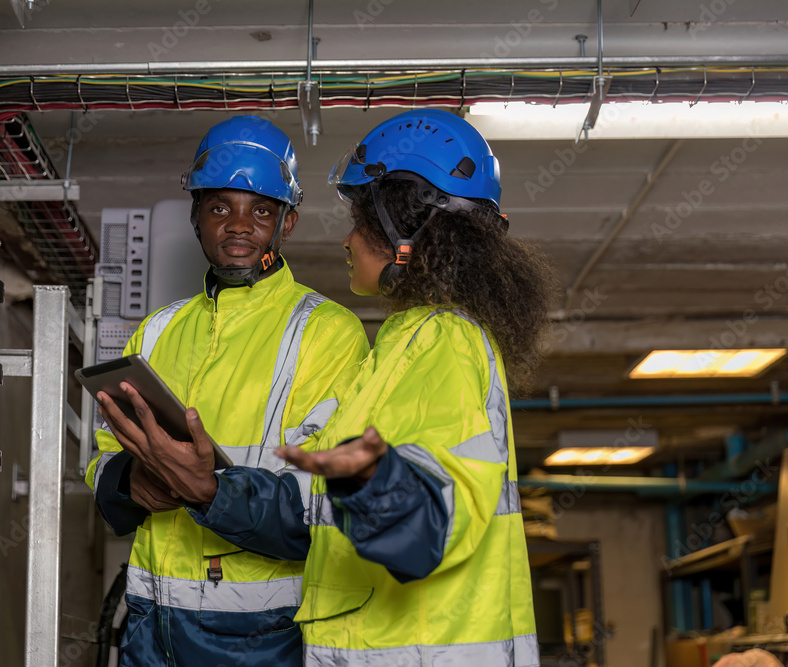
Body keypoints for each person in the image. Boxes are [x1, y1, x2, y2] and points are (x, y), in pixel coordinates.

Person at [110, 108, 559, 665]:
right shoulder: (407, 345)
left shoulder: (442, 341)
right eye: (220, 205)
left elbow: (428, 519)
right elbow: (312, 500)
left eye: (359, 221)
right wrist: (208, 489)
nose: (347, 239)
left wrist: (371, 483)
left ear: (399, 232)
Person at [86, 115, 370, 667]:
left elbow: (328, 505)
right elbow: (102, 459)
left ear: (286, 223)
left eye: (261, 210)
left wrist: (208, 490)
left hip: (259, 637)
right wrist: (130, 481)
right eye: (221, 208)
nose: (239, 226)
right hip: (149, 624)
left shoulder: (327, 332)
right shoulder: (158, 330)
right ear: (196, 217)